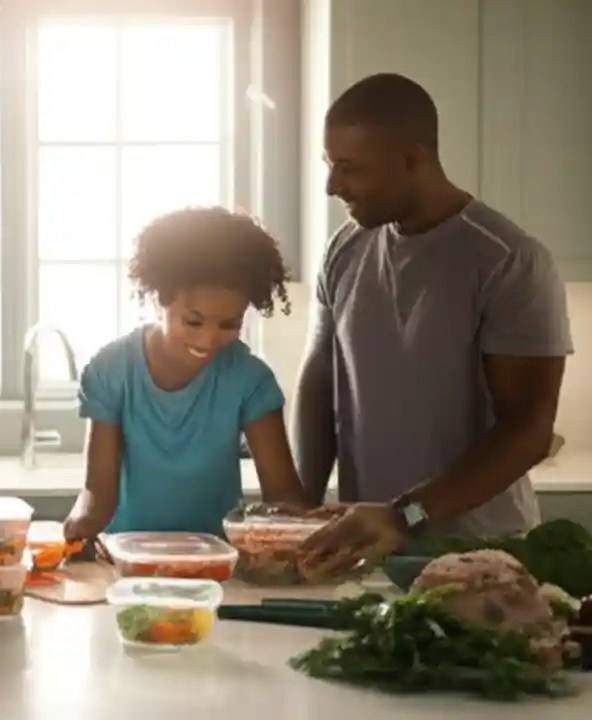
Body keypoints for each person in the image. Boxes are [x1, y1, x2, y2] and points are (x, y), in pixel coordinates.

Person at [295, 74, 573, 577]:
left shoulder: (508, 261)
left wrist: (404, 516)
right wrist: (298, 512)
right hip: (368, 551)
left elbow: (529, 431)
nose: (332, 185)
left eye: (349, 168)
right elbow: (319, 387)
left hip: (481, 558)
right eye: (329, 165)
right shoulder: (345, 249)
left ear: (412, 158)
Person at [63, 207, 309, 542]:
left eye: (229, 324)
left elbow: (283, 494)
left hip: (217, 559)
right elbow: (98, 494)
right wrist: (79, 525)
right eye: (193, 321)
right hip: (126, 555)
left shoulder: (250, 380)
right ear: (159, 300)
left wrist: (301, 526)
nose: (208, 340)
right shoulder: (110, 372)